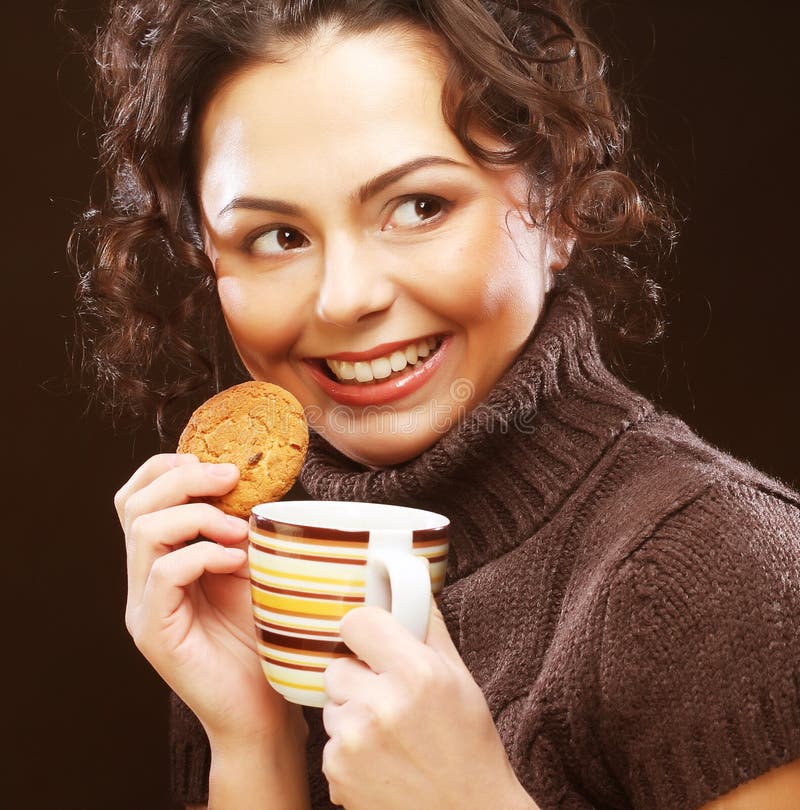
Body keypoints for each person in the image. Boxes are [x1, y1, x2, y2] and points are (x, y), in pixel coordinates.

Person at [73, 1, 800, 808]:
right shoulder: (254, 573)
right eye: (278, 236)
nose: (347, 298)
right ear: (208, 255)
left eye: (419, 206)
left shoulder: (720, 574)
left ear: (557, 206)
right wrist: (256, 740)